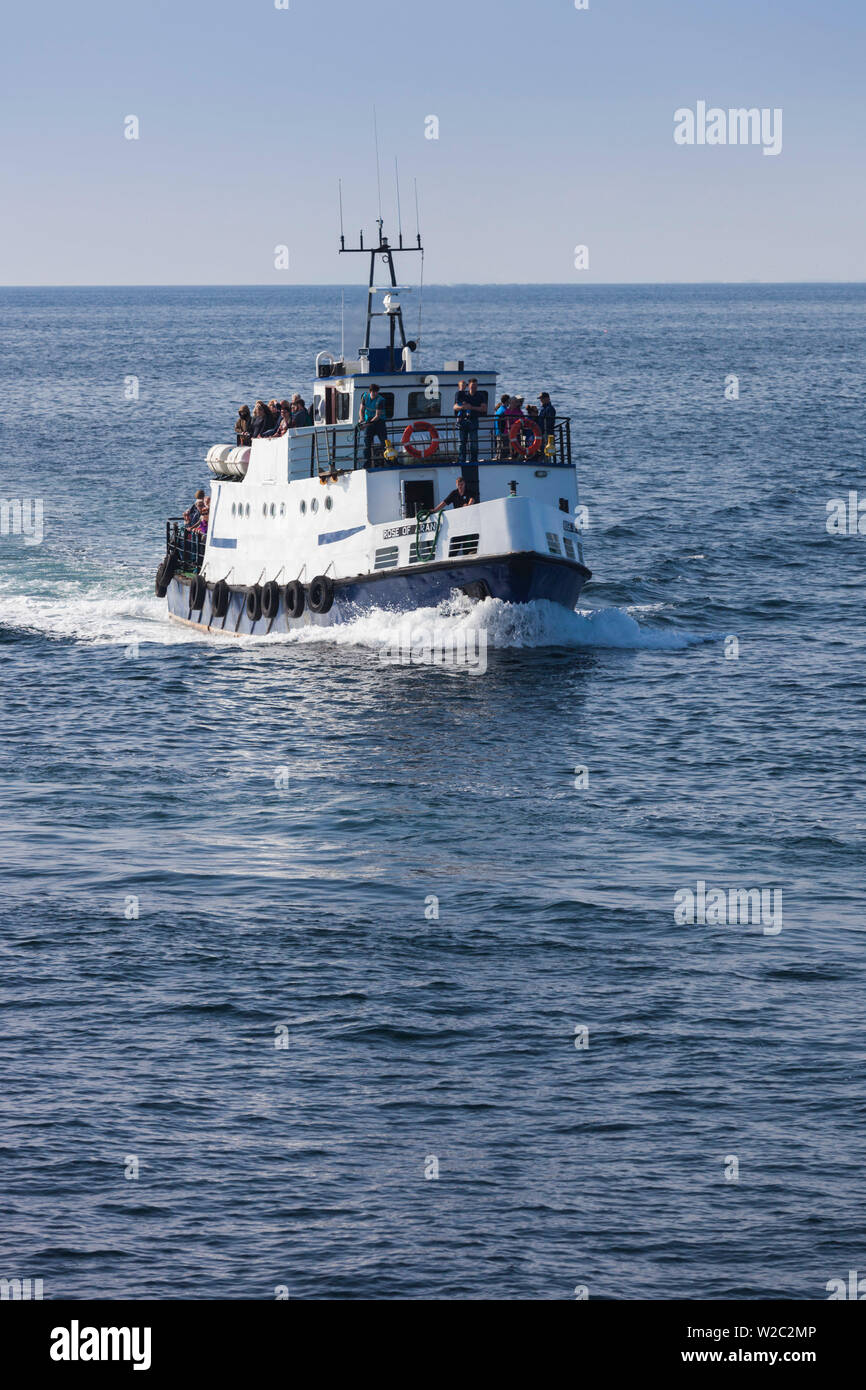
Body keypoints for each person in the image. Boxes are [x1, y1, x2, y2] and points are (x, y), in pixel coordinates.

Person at [453, 377, 486, 463]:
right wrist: (463, 407)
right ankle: (461, 460)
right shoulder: (463, 394)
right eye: (472, 386)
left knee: (474, 442)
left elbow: (484, 409)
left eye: (475, 386)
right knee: (462, 443)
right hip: (463, 421)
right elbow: (455, 407)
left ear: (477, 386)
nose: (474, 388)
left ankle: (473, 460)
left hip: (473, 420)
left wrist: (472, 408)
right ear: (469, 386)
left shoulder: (480, 396)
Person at [359, 383, 388, 466]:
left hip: (379, 422)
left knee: (384, 442)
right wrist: (361, 420)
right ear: (370, 391)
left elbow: (377, 416)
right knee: (366, 443)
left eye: (376, 392)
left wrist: (366, 425)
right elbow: (361, 410)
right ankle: (367, 463)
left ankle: (389, 461)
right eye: (373, 392)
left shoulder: (380, 400)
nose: (375, 394)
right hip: (368, 420)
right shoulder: (364, 397)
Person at [494, 394, 511, 458]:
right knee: (504, 448)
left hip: (498, 432)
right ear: (507, 401)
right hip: (503, 432)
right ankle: (501, 459)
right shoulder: (505, 410)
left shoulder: (499, 409)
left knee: (499, 447)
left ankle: (498, 458)